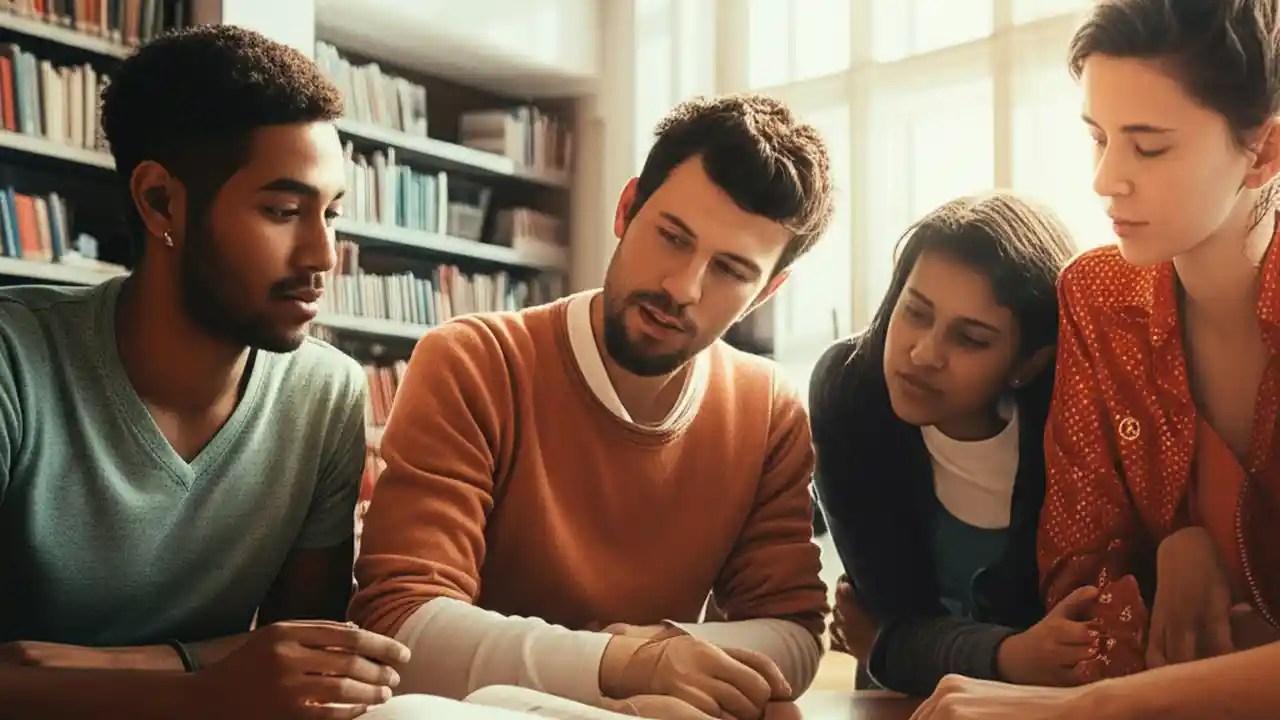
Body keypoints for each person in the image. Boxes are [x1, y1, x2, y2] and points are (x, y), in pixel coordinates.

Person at [350, 94, 834, 720]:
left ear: (766, 291)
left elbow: (794, 634)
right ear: (627, 208)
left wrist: (660, 655)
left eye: (731, 270)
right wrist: (622, 664)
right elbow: (401, 624)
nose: (681, 288)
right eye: (671, 237)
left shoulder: (768, 409)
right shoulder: (474, 360)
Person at [0, 26, 409, 718]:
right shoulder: (15, 360)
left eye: (331, 213)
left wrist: (95, 667)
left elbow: (308, 663)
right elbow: (255, 675)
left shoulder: (325, 393)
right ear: (161, 202)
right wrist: (205, 683)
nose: (322, 254)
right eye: (282, 211)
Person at [1034, 0, 1280, 682]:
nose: (1105, 179)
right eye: (1097, 137)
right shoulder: (1096, 296)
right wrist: (1181, 548)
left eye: (1148, 146)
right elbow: (1074, 594)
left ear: (1262, 152)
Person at [810, 192, 1080, 697]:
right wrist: (1011, 654)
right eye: (915, 311)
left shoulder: (1074, 423)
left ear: (1029, 363)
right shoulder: (850, 391)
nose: (923, 352)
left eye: (971, 339)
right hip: (900, 707)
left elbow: (1072, 652)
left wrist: (894, 647)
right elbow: (892, 624)